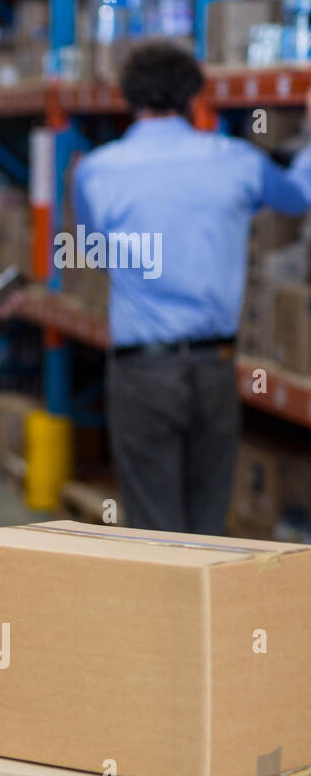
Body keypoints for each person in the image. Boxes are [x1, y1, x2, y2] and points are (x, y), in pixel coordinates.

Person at [73, 42, 311, 534]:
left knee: (154, 523)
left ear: (125, 96)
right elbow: (299, 197)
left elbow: (93, 254)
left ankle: (161, 609)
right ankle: (202, 608)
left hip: (142, 367)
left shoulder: (95, 171)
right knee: (207, 520)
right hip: (214, 365)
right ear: (194, 96)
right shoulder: (237, 161)